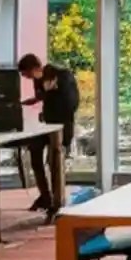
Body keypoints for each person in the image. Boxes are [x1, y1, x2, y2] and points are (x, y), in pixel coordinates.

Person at [18, 53, 79, 215]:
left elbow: (72, 102)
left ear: (34, 68)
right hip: (47, 126)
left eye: (26, 74)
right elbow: (41, 97)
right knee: (35, 153)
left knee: (54, 161)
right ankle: (45, 195)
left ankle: (57, 201)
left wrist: (53, 97)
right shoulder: (38, 82)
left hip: (61, 126)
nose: (27, 78)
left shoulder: (62, 76)